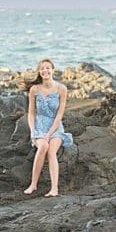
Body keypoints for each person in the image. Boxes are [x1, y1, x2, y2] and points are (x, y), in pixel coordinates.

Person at [23, 58, 73, 197]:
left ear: (53, 70)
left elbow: (59, 115)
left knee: (51, 151)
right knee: (43, 146)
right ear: (39, 72)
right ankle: (33, 185)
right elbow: (31, 113)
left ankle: (54, 189)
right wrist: (33, 131)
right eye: (42, 68)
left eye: (47, 68)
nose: (45, 70)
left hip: (55, 126)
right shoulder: (34, 89)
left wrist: (50, 133)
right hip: (39, 125)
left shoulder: (61, 88)